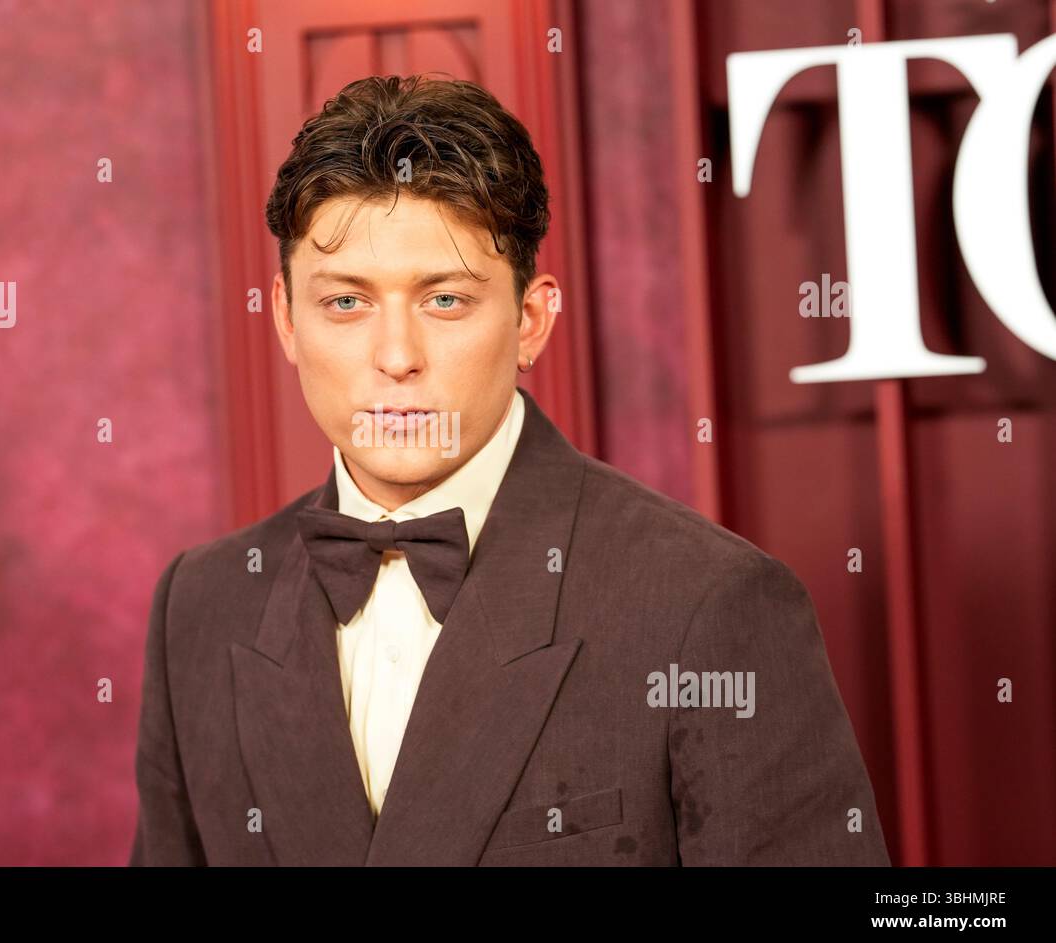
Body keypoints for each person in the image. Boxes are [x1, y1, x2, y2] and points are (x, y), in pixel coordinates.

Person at [129, 74, 890, 866]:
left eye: (445, 301)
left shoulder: (709, 603)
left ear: (530, 319)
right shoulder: (201, 605)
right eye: (347, 303)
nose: (396, 358)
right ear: (287, 319)